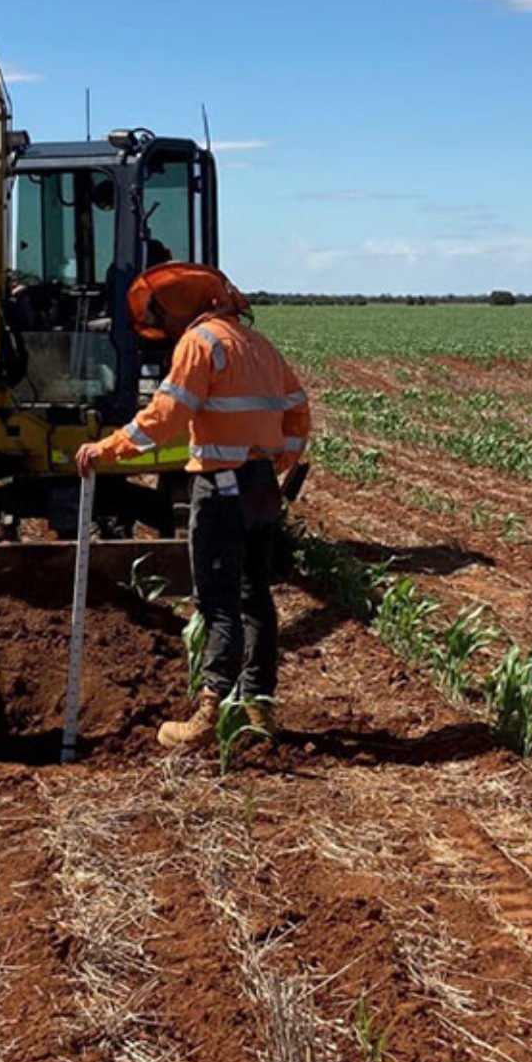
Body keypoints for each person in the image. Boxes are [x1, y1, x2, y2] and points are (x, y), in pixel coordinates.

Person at [76, 264, 310, 747]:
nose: (162, 324)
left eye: (161, 314)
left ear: (181, 308)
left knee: (218, 602)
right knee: (256, 598)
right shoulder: (260, 346)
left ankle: (209, 712)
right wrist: (279, 458)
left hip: (220, 488)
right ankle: (258, 707)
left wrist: (108, 449)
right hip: (261, 487)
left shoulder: (200, 343)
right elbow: (298, 407)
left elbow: (165, 416)